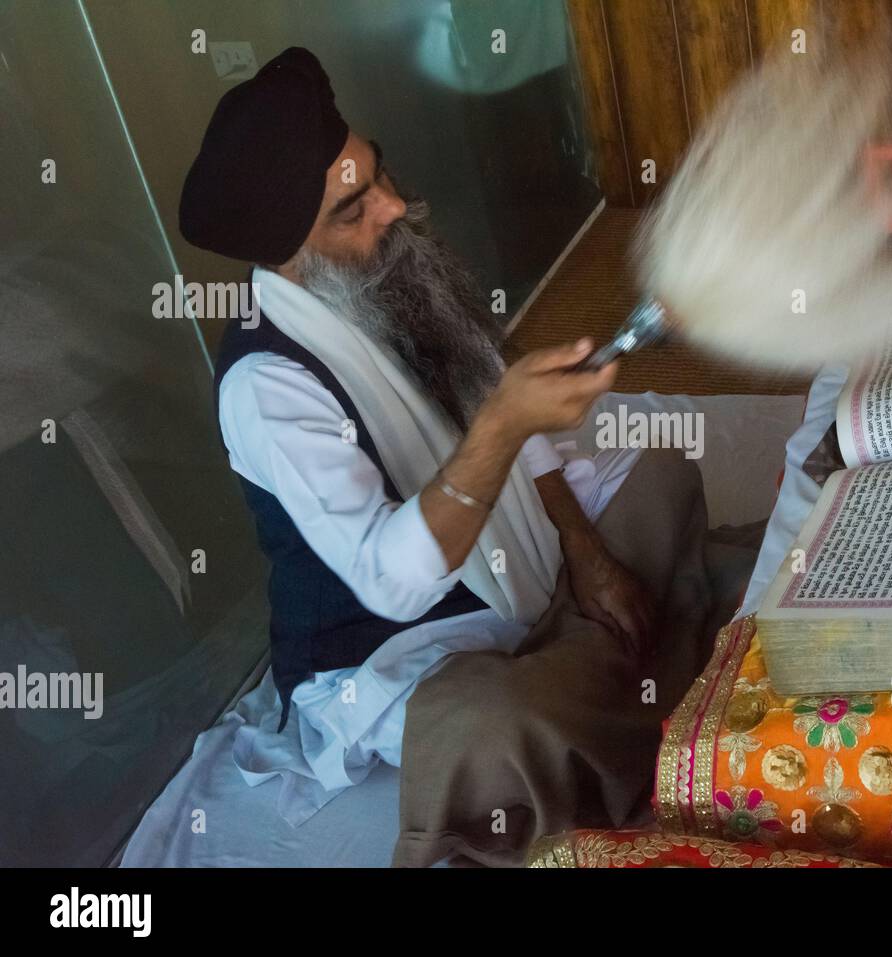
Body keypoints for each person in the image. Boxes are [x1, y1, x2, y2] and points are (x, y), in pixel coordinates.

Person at [180, 47, 735, 865]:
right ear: (289, 253)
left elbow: (490, 386)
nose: (396, 207)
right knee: (502, 732)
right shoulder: (265, 387)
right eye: (353, 206)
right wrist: (501, 430)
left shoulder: (390, 265)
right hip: (394, 644)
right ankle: (607, 685)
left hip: (516, 562)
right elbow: (390, 579)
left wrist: (585, 552)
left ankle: (590, 657)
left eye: (380, 174)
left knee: (659, 475)